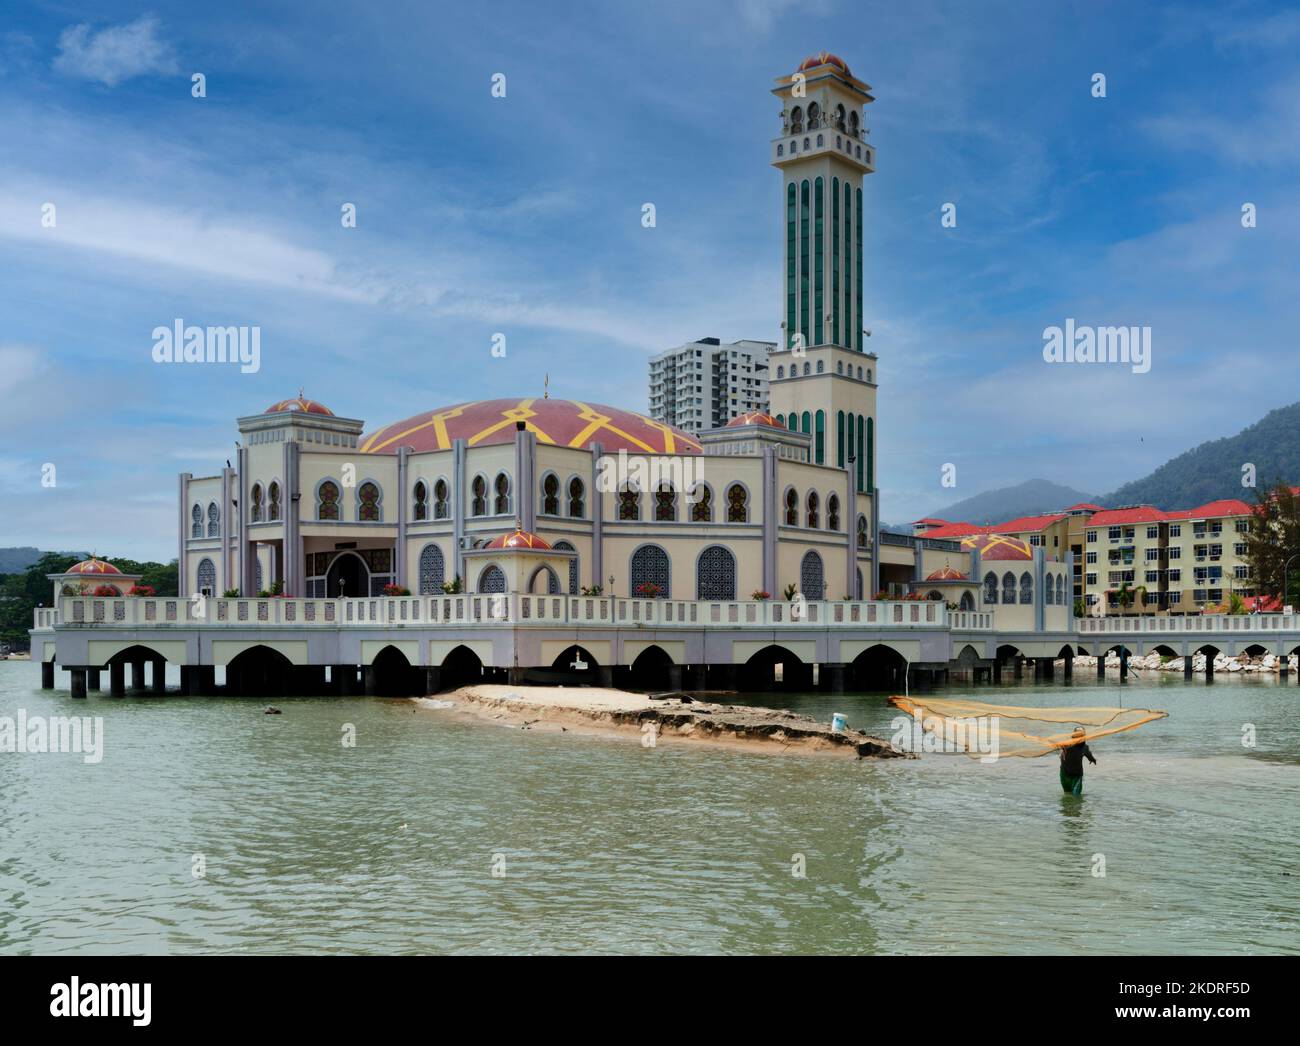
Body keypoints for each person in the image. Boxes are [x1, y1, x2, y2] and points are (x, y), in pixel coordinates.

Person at [1059, 727, 1097, 796]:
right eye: (1078, 735)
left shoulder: (1085, 747)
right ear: (1074, 736)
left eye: (1082, 735)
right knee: (1067, 794)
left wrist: (1092, 759)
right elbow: (1060, 746)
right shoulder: (1067, 745)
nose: (1080, 738)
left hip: (1077, 776)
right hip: (1065, 773)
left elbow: (1089, 755)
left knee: (1076, 796)